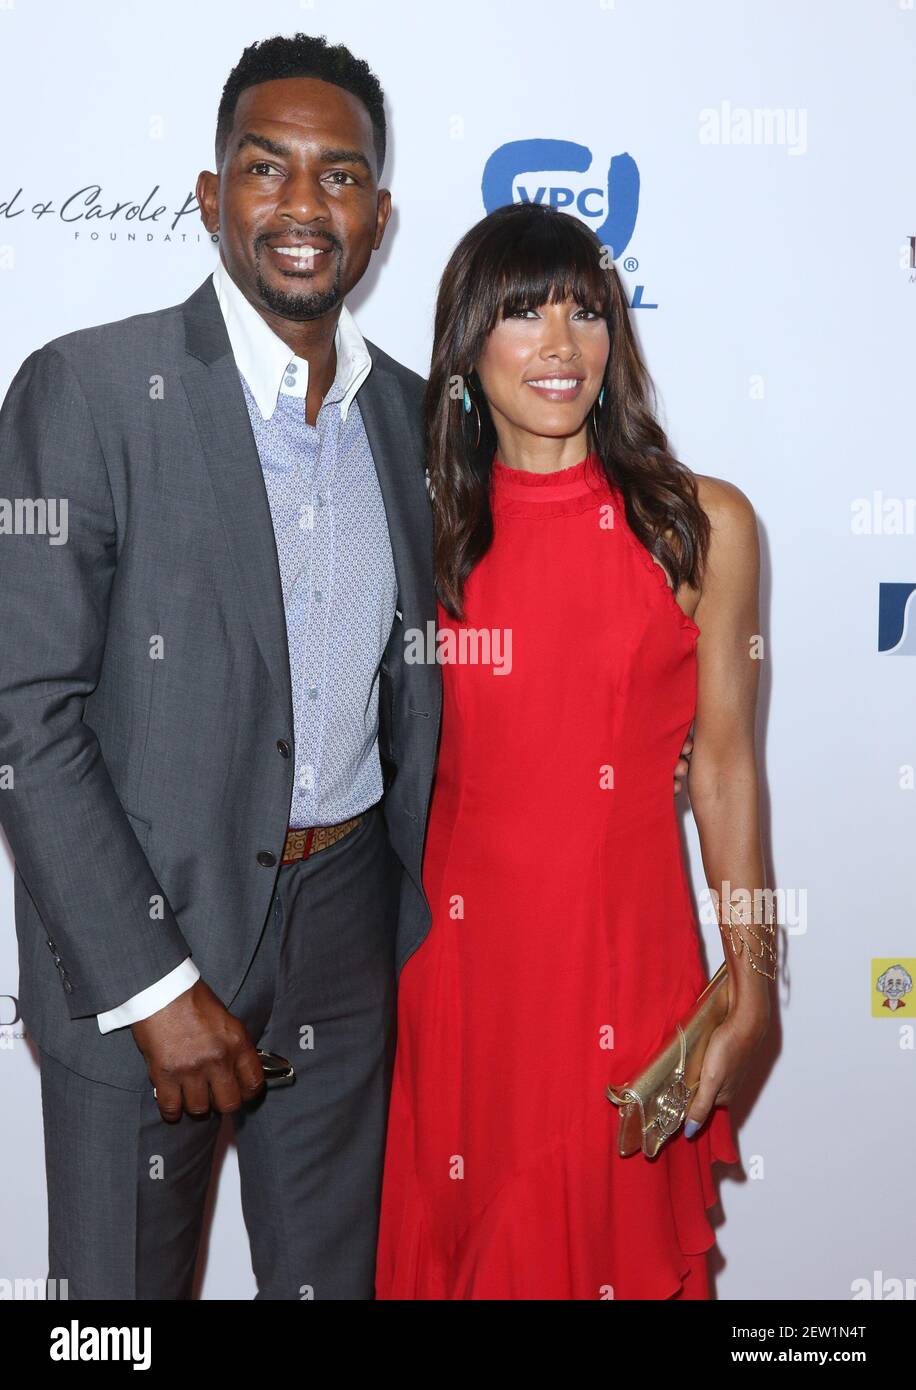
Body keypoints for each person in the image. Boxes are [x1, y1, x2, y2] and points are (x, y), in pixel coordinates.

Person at [0, 35, 694, 1300]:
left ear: (379, 216)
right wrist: (154, 989)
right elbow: (25, 719)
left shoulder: (413, 421)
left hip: (354, 950)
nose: (303, 206)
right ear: (212, 198)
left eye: (340, 177)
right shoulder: (88, 392)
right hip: (145, 951)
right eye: (268, 170)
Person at [375, 201, 774, 1301]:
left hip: (622, 968)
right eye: (522, 314)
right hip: (455, 984)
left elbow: (726, 768)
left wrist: (756, 977)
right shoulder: (419, 531)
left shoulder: (700, 526)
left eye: (586, 311)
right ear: (466, 346)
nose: (562, 345)